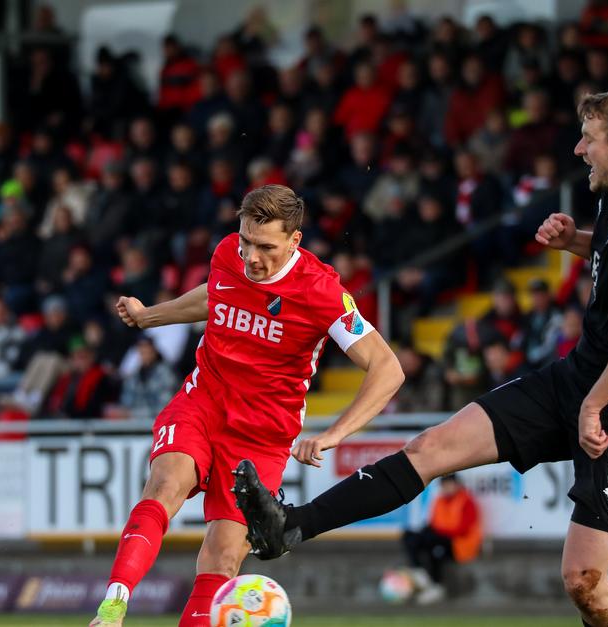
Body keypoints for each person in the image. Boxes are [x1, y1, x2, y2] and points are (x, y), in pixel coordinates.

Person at [236, 88, 608, 627]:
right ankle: (287, 527)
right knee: (431, 447)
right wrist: (578, 242)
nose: (577, 149)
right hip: (581, 378)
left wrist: (594, 407)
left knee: (584, 584)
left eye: (587, 140)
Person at [90, 185, 404, 627]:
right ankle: (113, 606)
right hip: (203, 402)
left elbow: (387, 368)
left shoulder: (321, 292)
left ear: (295, 241)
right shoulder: (227, 255)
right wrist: (150, 316)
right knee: (165, 484)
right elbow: (214, 294)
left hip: (263, 435)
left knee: (221, 557)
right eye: (245, 242)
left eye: (266, 247)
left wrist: (336, 433)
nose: (252, 258)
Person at [401, 473, 482, 605]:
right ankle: (419, 572)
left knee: (436, 550)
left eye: (449, 485)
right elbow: (434, 523)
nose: (446, 488)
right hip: (440, 538)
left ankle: (436, 587)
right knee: (410, 537)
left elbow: (462, 530)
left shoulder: (467, 501)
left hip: (459, 545)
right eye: (443, 485)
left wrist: (437, 531)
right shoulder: (439, 500)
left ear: (457, 485)